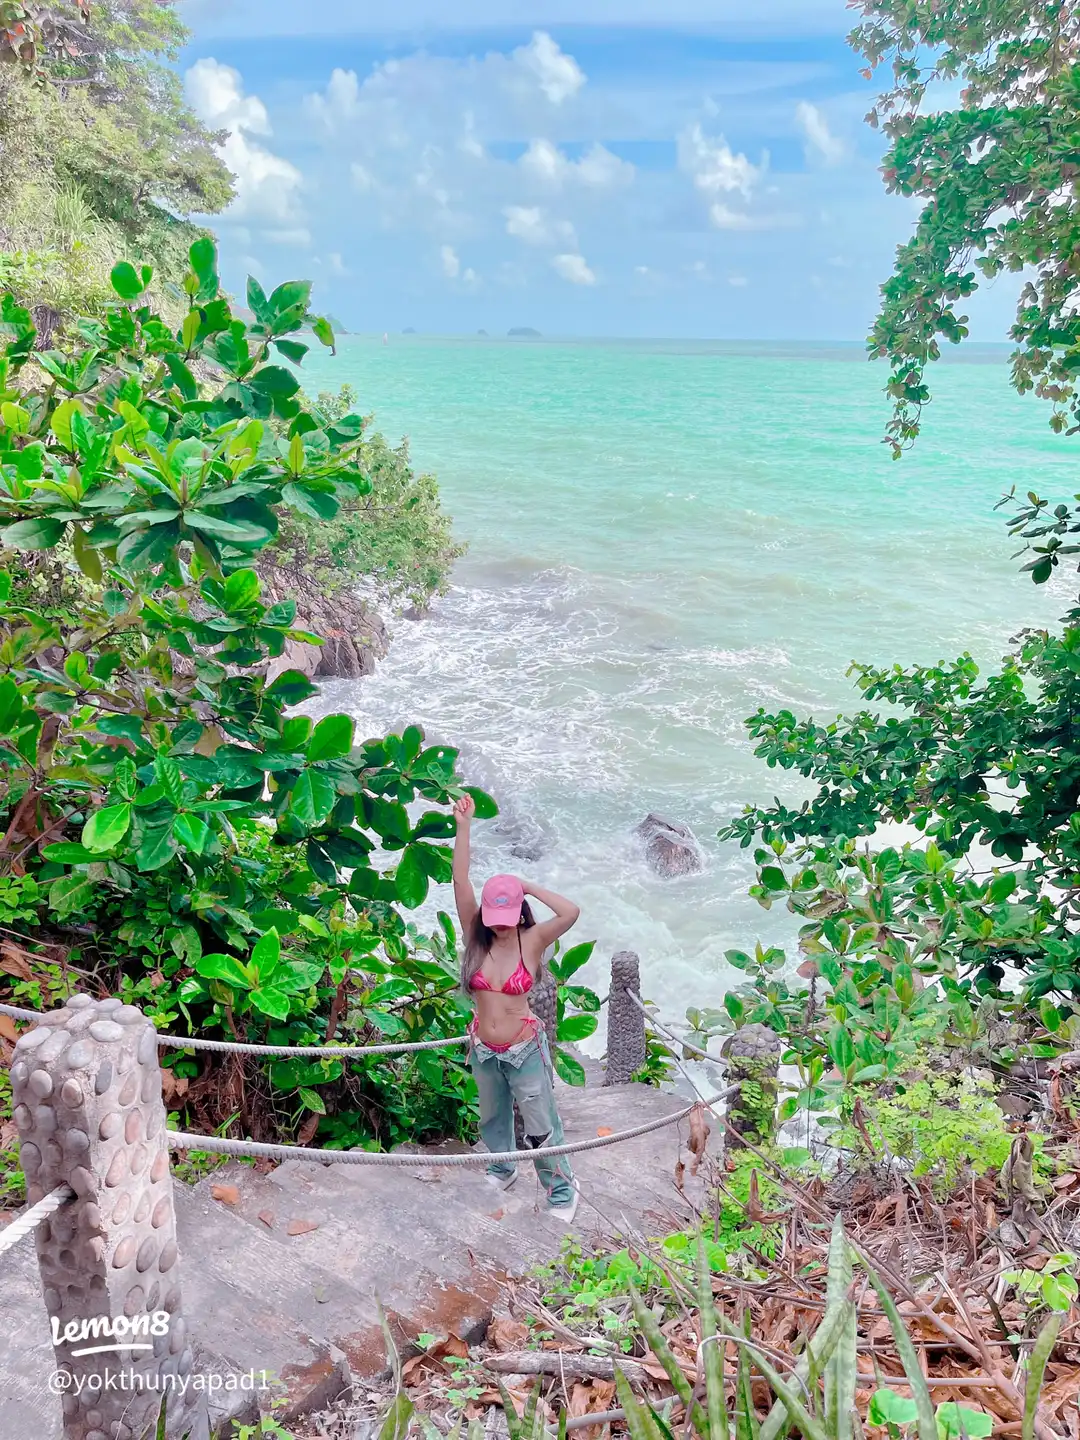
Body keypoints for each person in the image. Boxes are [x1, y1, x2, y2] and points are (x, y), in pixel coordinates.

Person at [452, 793, 581, 1222]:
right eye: (494, 915)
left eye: (507, 915)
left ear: (519, 912)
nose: (500, 925)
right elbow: (460, 882)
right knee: (492, 1117)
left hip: (524, 1047)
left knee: (540, 1122)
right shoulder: (476, 933)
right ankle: (503, 1167)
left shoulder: (534, 939)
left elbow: (571, 911)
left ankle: (562, 1190)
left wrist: (528, 886)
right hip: (485, 1049)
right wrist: (464, 827)